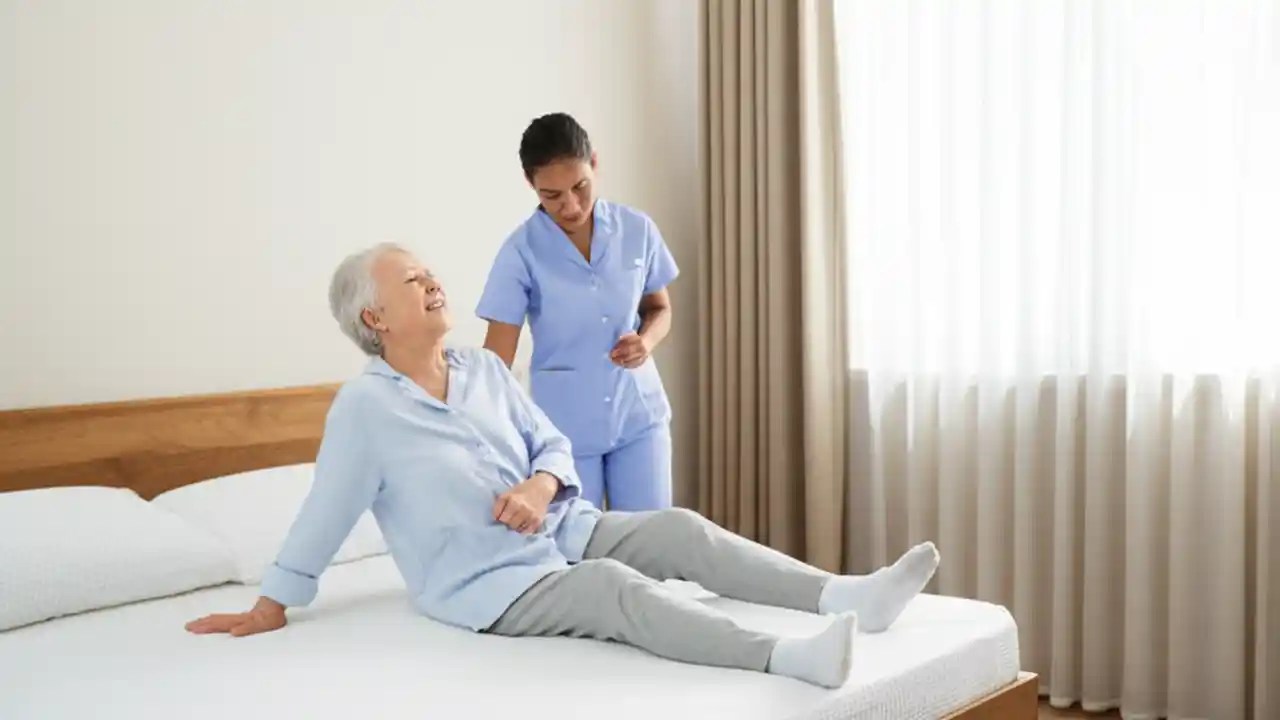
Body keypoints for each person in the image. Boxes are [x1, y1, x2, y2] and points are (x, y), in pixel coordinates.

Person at [185, 243, 941, 690]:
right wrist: (273, 602)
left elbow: (550, 444)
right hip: (489, 582)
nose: (431, 280)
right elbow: (328, 509)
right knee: (613, 589)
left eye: (428, 270)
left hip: (561, 525)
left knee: (677, 530)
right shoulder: (365, 411)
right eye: (410, 279)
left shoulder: (481, 368)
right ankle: (784, 658)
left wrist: (541, 485)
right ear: (374, 318)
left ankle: (848, 595)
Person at [476, 113, 677, 510]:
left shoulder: (637, 230)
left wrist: (646, 341)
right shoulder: (520, 252)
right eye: (552, 195)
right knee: (583, 554)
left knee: (652, 546)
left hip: (640, 417)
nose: (570, 205)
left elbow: (660, 308)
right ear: (530, 185)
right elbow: (496, 364)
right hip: (564, 434)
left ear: (595, 164)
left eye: (580, 186)